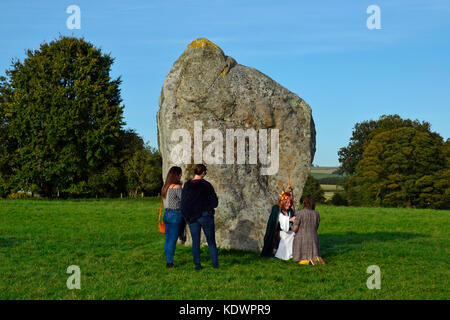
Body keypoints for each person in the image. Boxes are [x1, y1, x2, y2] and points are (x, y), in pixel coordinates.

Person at [181, 164, 219, 270]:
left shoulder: (187, 185)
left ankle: (197, 265)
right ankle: (215, 265)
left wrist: (186, 216)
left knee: (195, 242)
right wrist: (210, 208)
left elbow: (183, 203)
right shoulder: (206, 185)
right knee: (211, 242)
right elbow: (214, 202)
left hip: (192, 217)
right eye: (205, 171)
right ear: (203, 172)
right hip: (205, 215)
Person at [261, 191, 296, 259]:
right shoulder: (276, 208)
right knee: (286, 235)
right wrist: (289, 220)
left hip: (288, 231)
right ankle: (281, 254)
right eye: (287, 203)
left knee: (294, 234)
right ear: (283, 202)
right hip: (276, 232)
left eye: (290, 203)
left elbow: (292, 223)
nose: (289, 205)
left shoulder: (290, 211)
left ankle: (290, 254)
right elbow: (280, 219)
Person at [161, 166, 184, 268]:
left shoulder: (165, 187)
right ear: (177, 175)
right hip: (175, 214)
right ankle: (169, 262)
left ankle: (168, 259)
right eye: (180, 174)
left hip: (166, 214)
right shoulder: (177, 187)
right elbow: (184, 200)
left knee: (168, 239)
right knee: (173, 240)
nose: (181, 176)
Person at [292, 195, 325, 265]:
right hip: (314, 238)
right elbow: (316, 227)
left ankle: (309, 262)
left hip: (301, 240)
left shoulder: (300, 213)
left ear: (304, 203)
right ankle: (317, 258)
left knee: (299, 260)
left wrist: (293, 222)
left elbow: (295, 229)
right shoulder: (317, 213)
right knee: (313, 255)